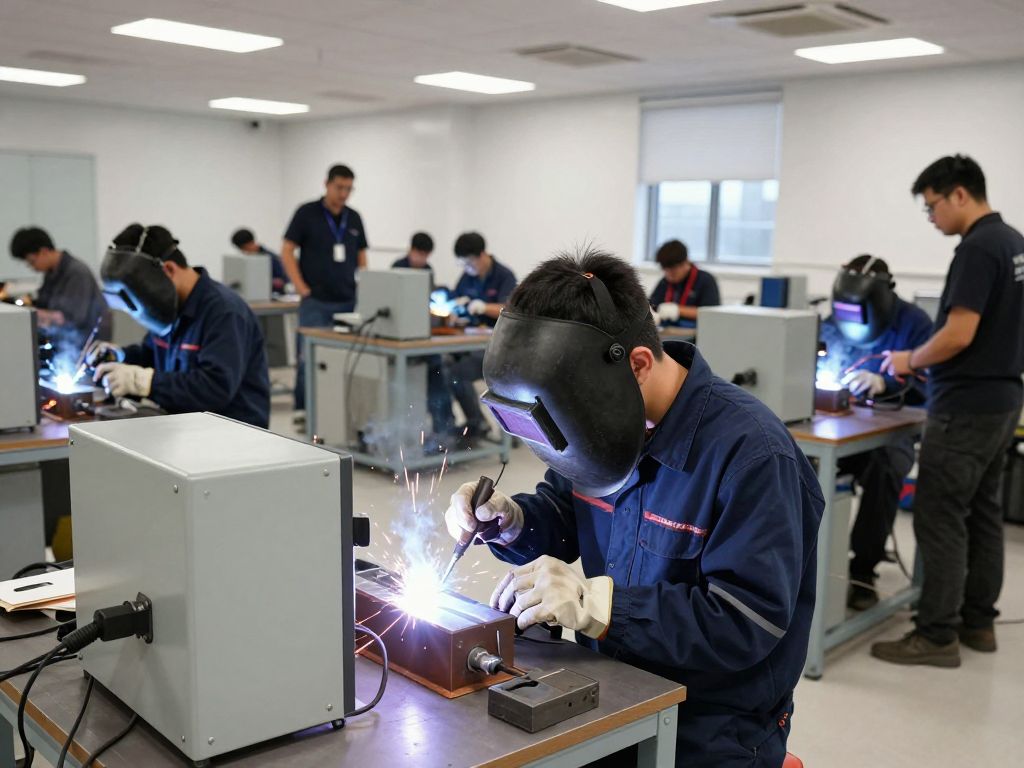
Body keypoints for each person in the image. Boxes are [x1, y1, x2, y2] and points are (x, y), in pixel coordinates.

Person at [445, 250, 824, 766]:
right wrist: (512, 522)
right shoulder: (597, 428)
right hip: (614, 685)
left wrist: (600, 606)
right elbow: (564, 510)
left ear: (638, 365)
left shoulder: (752, 455)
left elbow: (747, 624)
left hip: (715, 725)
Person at [873, 155, 1024, 666]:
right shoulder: (1014, 243)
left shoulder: (978, 247)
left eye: (932, 206)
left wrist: (909, 359)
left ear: (959, 194)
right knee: (981, 512)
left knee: (939, 515)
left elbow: (960, 333)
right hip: (1003, 400)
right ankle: (978, 622)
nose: (932, 217)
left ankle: (936, 635)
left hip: (965, 406)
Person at [818, 255, 933, 610]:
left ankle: (863, 568)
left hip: (890, 432)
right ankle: (805, 563)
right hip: (834, 428)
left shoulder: (914, 325)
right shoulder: (831, 322)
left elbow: (930, 387)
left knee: (886, 466)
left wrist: (886, 383)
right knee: (794, 461)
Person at [88, 223, 270, 428]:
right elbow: (153, 355)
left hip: (234, 436)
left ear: (168, 270)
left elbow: (215, 388)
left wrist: (142, 381)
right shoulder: (173, 308)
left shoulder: (225, 312)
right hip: (186, 429)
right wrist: (121, 356)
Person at [281, 164, 368, 421]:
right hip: (316, 301)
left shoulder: (353, 218)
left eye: (348, 189)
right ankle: (303, 409)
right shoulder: (307, 213)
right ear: (327, 184)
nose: (343, 194)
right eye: (339, 187)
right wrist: (301, 287)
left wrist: (366, 286)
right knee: (308, 358)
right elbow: (287, 250)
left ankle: (336, 410)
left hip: (347, 300)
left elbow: (362, 256)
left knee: (345, 359)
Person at [446, 232, 517, 441]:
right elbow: (457, 301)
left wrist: (484, 307)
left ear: (481, 255)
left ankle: (477, 424)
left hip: (497, 348)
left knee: (457, 374)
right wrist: (455, 313)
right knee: (443, 364)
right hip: (469, 341)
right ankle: (474, 424)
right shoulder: (468, 276)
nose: (468, 268)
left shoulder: (504, 275)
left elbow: (510, 309)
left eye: (469, 262)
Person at [8, 226, 111, 348]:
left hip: (86, 342)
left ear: (44, 252)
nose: (32, 267)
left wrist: (31, 314)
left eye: (32, 262)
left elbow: (70, 319)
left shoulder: (77, 273)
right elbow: (44, 303)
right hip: (67, 340)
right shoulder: (51, 273)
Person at [649, 239, 720, 326]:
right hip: (669, 332)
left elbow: (712, 313)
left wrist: (678, 310)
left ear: (685, 263)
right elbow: (652, 305)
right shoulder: (665, 281)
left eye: (673, 270)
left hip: (696, 333)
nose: (669, 274)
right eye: (665, 270)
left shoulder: (706, 280)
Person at [231, 228, 288, 293]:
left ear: (251, 243)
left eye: (244, 248)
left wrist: (267, 281)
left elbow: (283, 281)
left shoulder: (271, 259)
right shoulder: (246, 260)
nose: (244, 251)